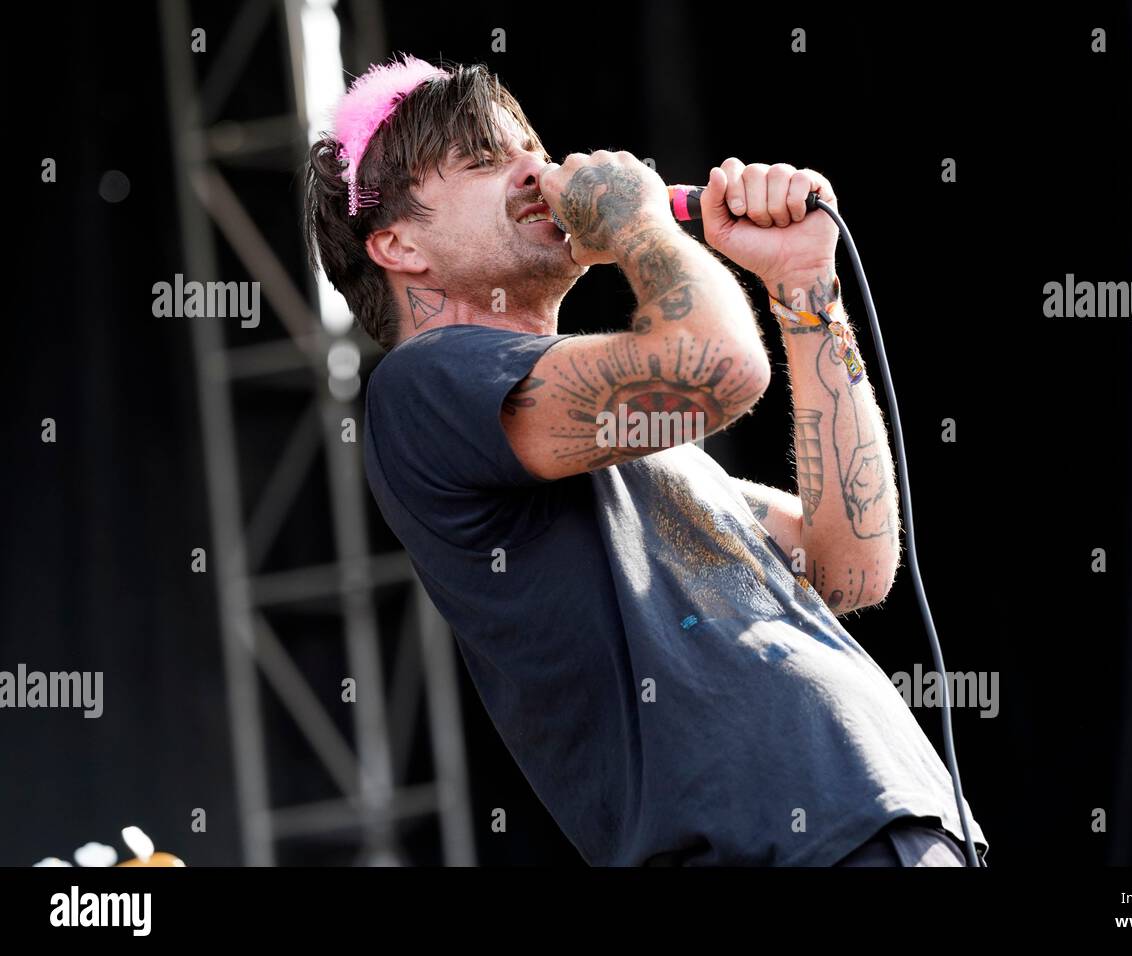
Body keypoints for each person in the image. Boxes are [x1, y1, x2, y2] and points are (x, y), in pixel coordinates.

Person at [304, 55, 988, 867]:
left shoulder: (627, 447)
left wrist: (806, 292)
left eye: (533, 146)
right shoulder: (425, 386)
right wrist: (639, 227)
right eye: (486, 161)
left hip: (900, 825)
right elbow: (724, 369)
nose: (540, 170)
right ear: (397, 244)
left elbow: (851, 567)